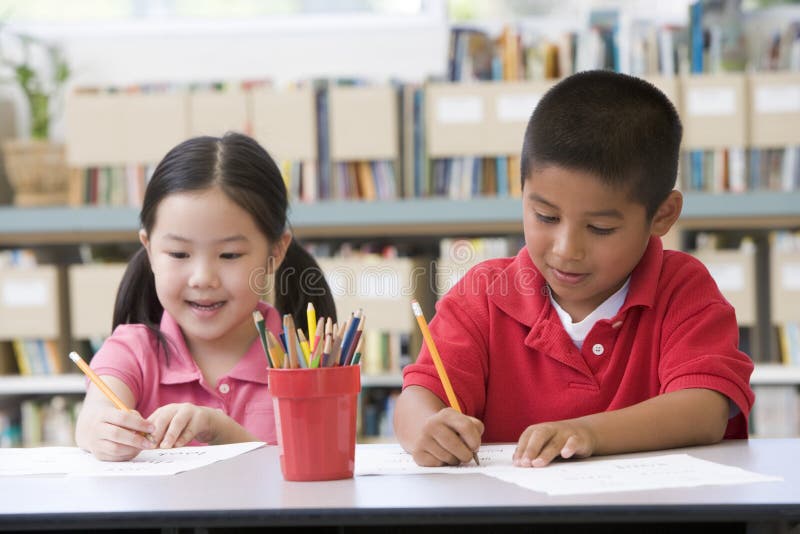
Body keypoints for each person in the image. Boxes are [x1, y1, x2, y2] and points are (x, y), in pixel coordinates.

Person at [394, 70, 755, 468]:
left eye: (601, 228)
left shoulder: (682, 288)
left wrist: (587, 432)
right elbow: (417, 398)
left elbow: (704, 411)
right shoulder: (483, 295)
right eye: (545, 216)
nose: (567, 250)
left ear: (662, 215)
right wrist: (427, 428)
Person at [75, 132, 336, 461]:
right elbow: (92, 418)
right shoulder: (132, 351)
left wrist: (219, 430)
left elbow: (315, 466)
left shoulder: (304, 358)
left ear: (276, 252)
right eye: (179, 254)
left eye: (229, 255)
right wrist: (101, 430)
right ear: (150, 249)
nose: (202, 279)